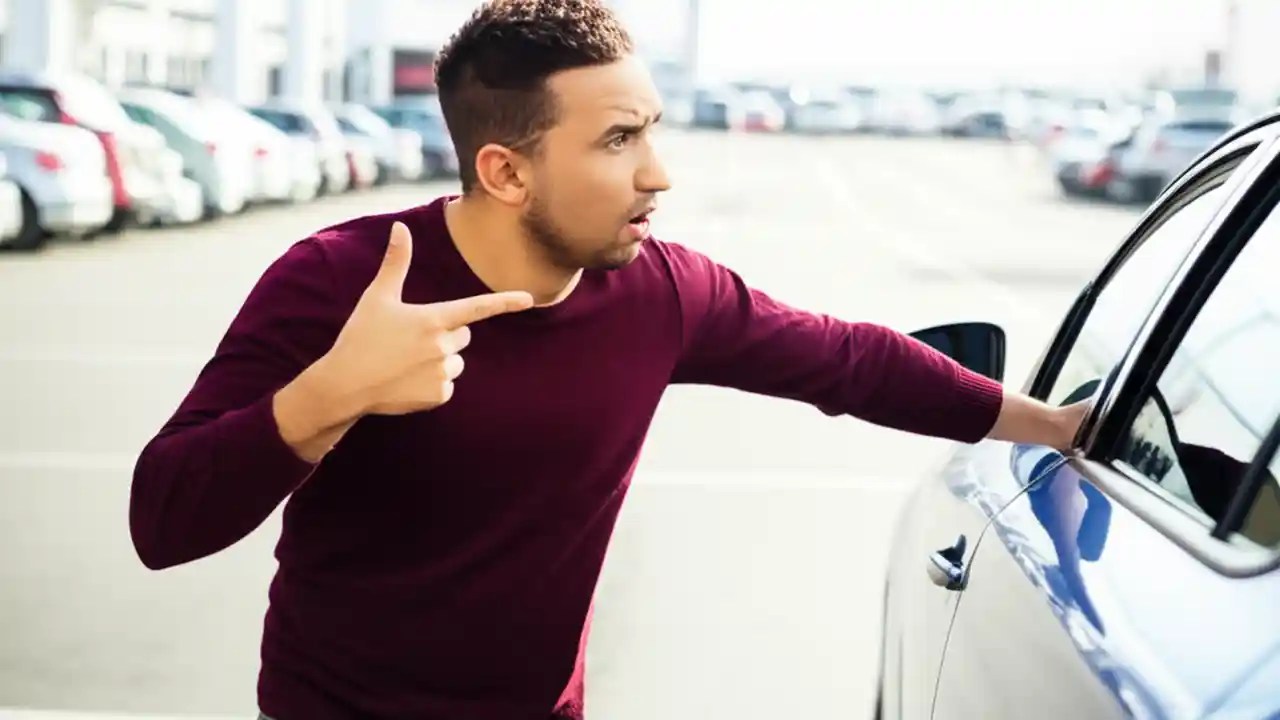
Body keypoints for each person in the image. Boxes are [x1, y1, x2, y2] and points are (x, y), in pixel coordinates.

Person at [129, 1, 1089, 718]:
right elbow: (163, 520)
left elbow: (848, 361)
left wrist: (1055, 427)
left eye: (652, 130)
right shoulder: (341, 280)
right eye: (619, 140)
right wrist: (328, 396)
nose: (658, 172)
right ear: (505, 171)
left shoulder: (665, 293)